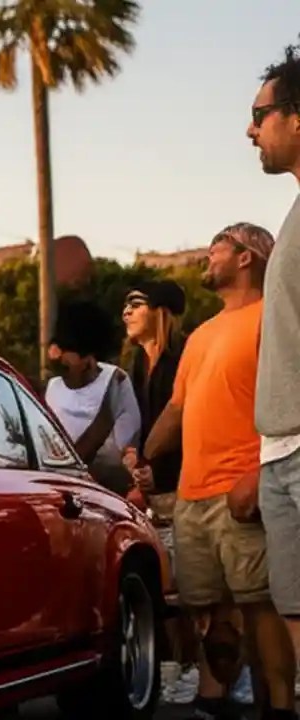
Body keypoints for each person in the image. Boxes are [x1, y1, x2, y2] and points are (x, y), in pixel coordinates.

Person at [142, 223, 296, 720]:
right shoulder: (203, 334)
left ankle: (279, 705)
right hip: (192, 496)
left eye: (217, 249)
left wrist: (257, 474)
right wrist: (143, 453)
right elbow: (178, 407)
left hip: (242, 487)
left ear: (247, 257)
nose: (207, 258)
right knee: (206, 610)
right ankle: (214, 700)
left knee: (259, 605)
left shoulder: (270, 320)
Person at [116, 279, 201, 702]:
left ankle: (208, 670)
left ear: (161, 311)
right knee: (167, 588)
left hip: (190, 485)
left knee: (197, 589)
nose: (126, 312)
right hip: (155, 492)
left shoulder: (185, 354)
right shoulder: (136, 363)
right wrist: (134, 458)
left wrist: (153, 463)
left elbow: (192, 421)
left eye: (136, 303)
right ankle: (175, 668)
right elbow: (141, 426)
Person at [250, 39, 300, 669]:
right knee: (291, 604)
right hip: (278, 450)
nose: (250, 129)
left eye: (259, 115)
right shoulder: (291, 214)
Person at [43, 300, 141, 496]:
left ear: (88, 361)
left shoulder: (114, 381)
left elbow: (105, 443)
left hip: (106, 490)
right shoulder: (54, 387)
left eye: (67, 365)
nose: (64, 376)